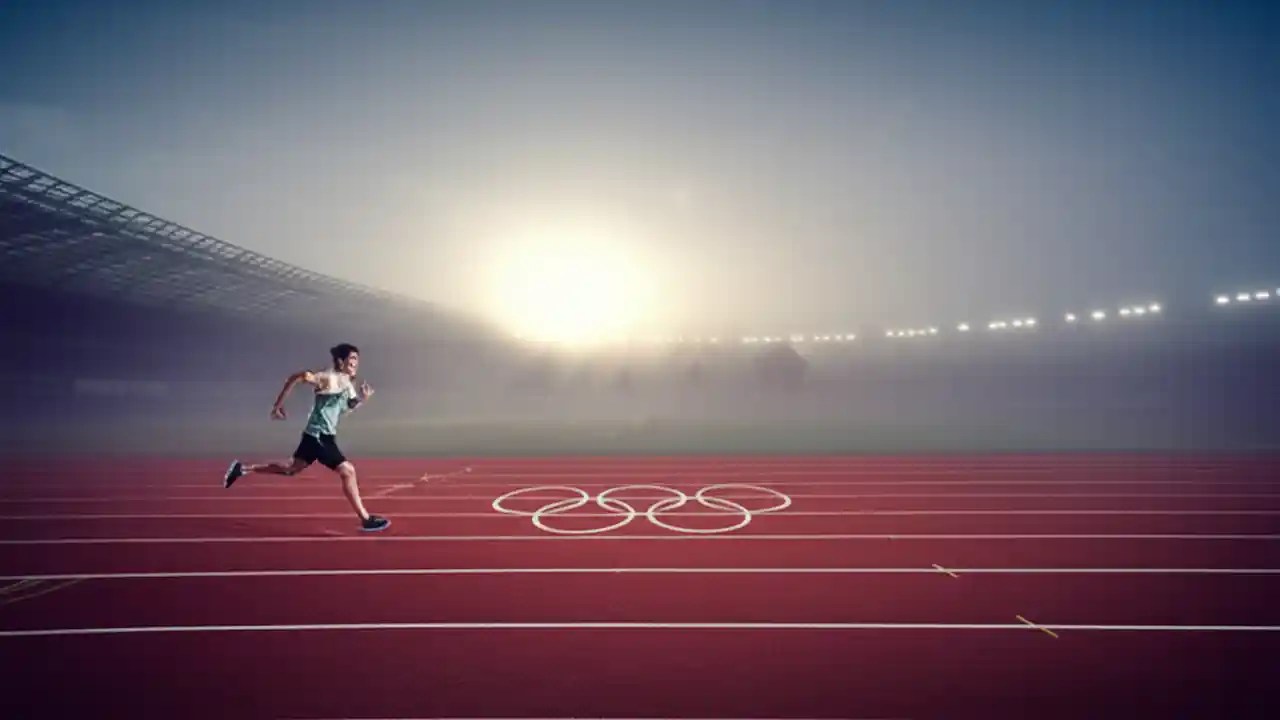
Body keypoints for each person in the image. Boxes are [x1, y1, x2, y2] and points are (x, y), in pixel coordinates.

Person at [222, 343, 390, 532]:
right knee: (348, 471)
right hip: (319, 436)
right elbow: (297, 377)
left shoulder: (346, 384)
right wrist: (277, 405)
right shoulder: (328, 378)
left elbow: (347, 407)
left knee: (290, 469)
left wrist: (361, 399)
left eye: (357, 359)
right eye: (352, 358)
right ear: (340, 361)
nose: (355, 362)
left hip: (318, 436)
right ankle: (366, 519)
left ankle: (242, 469)